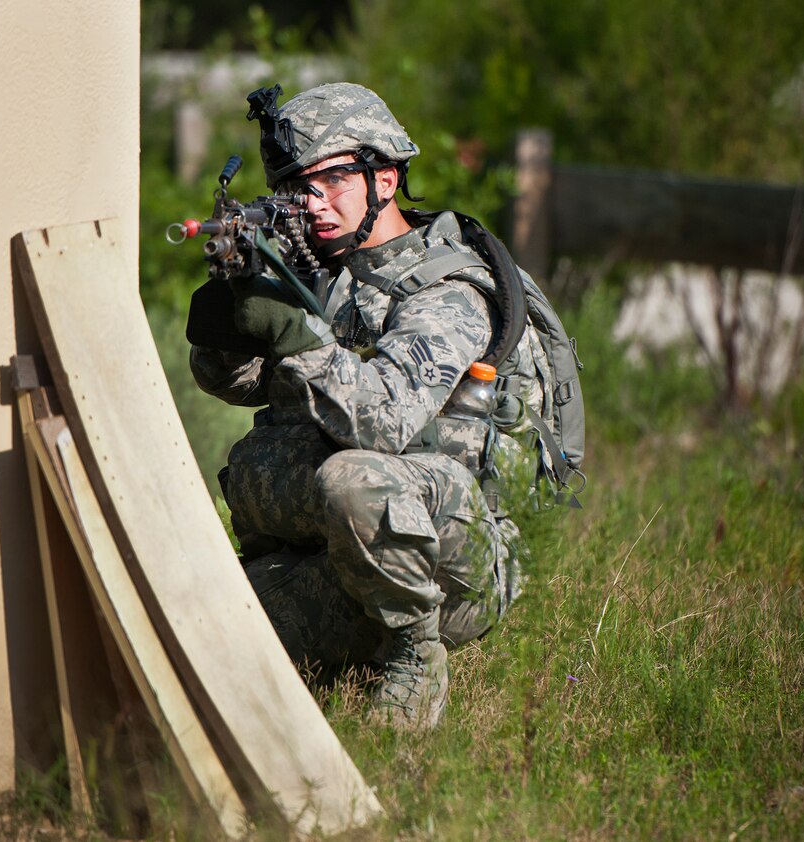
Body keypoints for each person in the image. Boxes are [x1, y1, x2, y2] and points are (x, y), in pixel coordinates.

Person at [189, 82, 561, 731]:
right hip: (340, 548)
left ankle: (415, 656)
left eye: (331, 181)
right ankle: (345, 644)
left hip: (452, 566)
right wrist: (229, 328)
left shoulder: (447, 291)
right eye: (295, 188)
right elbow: (254, 386)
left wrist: (293, 334)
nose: (312, 203)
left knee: (352, 477)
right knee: (201, 643)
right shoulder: (334, 271)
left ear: (384, 177)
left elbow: (381, 419)